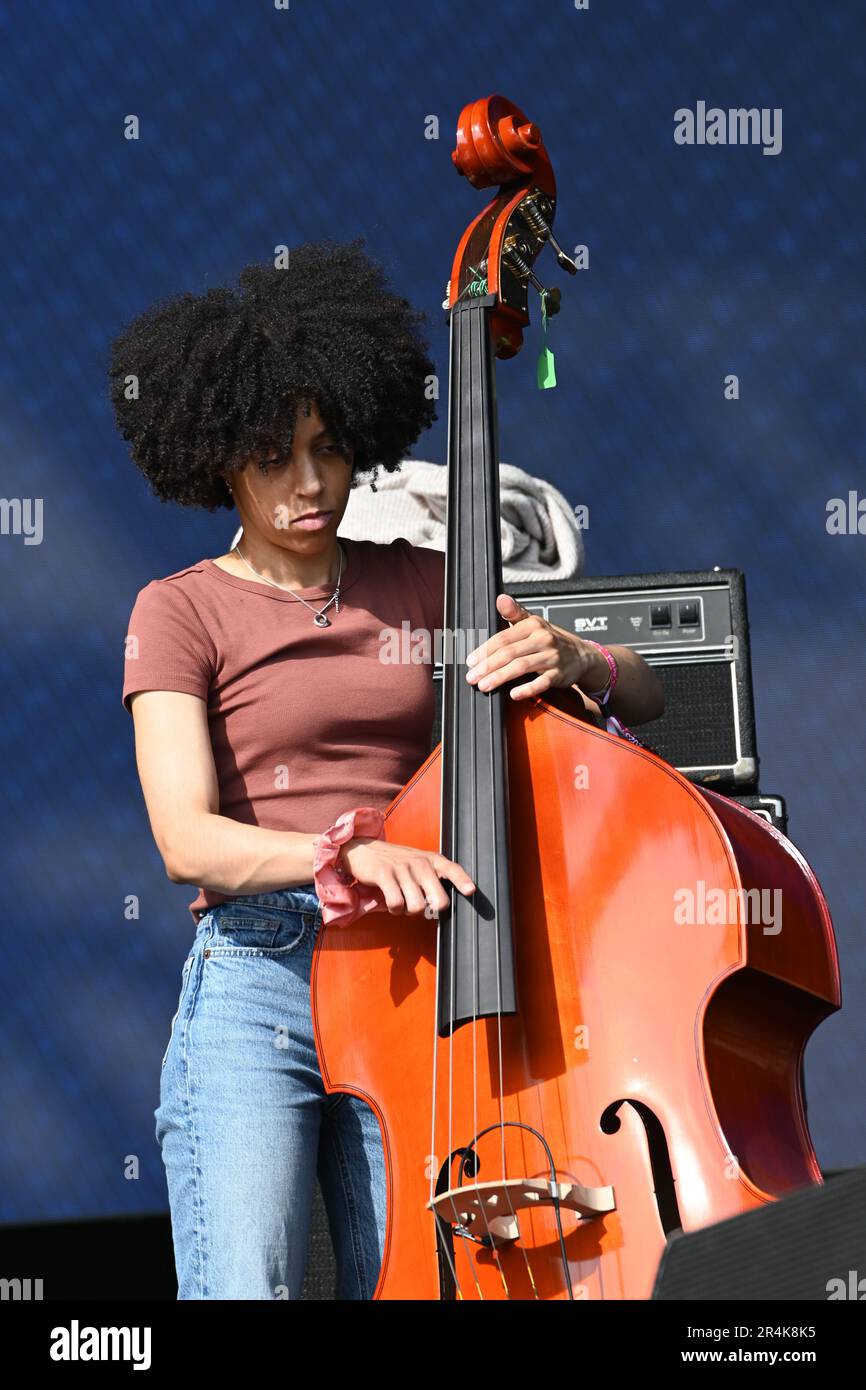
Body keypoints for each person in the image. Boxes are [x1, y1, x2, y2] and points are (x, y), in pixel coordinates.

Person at [110, 240, 664, 1301]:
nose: (311, 483)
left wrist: (577, 656)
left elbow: (639, 692)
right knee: (245, 1289)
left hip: (415, 978)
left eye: (328, 448)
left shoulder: (429, 586)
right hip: (256, 976)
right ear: (221, 454)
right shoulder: (176, 610)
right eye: (275, 455)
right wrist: (347, 846)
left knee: (412, 1285)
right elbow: (187, 838)